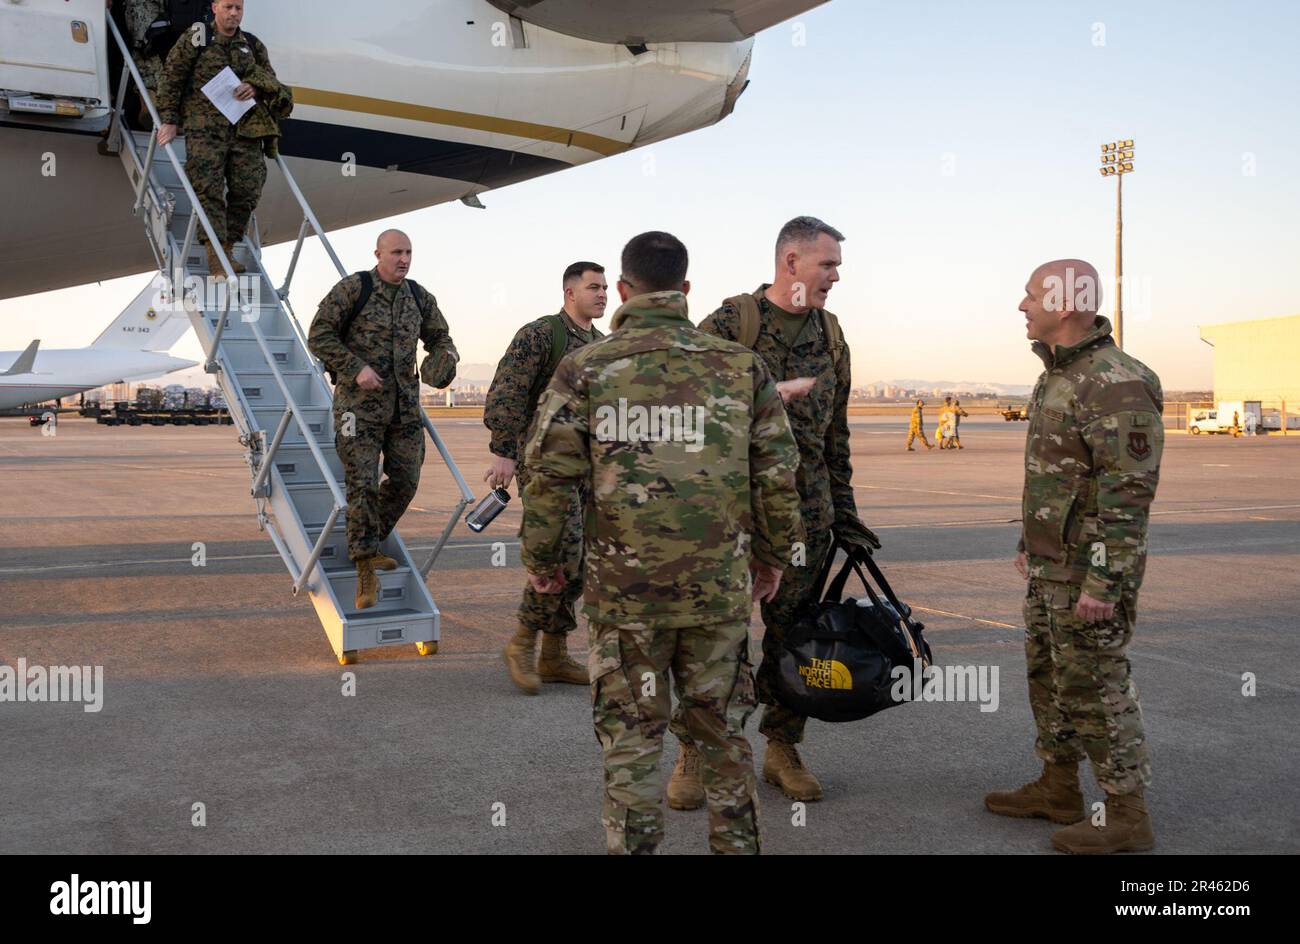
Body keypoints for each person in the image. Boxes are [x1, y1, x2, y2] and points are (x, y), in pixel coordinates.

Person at [520, 232, 803, 854]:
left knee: (632, 747)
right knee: (724, 740)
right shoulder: (739, 366)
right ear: (686, 291)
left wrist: (545, 564)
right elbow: (779, 474)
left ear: (623, 290)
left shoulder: (588, 367)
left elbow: (547, 476)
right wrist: (773, 558)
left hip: (626, 602)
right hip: (717, 598)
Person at [679, 216, 880, 806]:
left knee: (796, 635)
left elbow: (835, 435)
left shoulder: (834, 335)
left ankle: (781, 745)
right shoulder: (729, 322)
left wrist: (844, 512)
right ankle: (695, 749)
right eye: (828, 265)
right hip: (730, 512)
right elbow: (687, 408)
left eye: (837, 266)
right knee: (715, 637)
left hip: (804, 517)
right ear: (790, 262)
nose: (836, 277)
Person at [985, 258, 1163, 854]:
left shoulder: (1117, 382)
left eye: (1030, 293)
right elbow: (1056, 478)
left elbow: (1126, 495)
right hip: (1050, 565)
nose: (1021, 304)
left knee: (1096, 685)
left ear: (1064, 304)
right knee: (1050, 679)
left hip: (1088, 574)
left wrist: (1103, 582)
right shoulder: (1058, 375)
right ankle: (1058, 788)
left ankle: (1126, 812)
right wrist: (1029, 543)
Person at [307, 230, 459, 610]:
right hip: (357, 410)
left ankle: (369, 541)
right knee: (362, 482)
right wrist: (354, 367)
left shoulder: (419, 297)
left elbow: (441, 337)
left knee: (407, 479)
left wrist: (443, 360)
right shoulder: (353, 288)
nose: (403, 259)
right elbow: (319, 335)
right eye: (396, 252)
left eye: (408, 252)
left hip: (404, 408)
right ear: (378, 254)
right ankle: (364, 569)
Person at [485, 262, 609, 692]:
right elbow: (506, 392)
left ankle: (554, 654)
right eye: (594, 287)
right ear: (569, 292)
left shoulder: (602, 344)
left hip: (588, 471)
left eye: (606, 287)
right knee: (559, 553)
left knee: (580, 565)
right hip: (546, 467)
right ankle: (522, 643)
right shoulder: (541, 334)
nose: (603, 294)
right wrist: (503, 449)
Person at [154, 0, 292, 276]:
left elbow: (271, 81)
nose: (234, 13)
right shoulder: (198, 36)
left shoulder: (252, 44)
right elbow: (172, 76)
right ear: (215, 7)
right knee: (209, 189)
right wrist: (169, 119)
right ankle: (217, 255)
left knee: (248, 189)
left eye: (239, 8)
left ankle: (228, 245)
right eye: (228, 6)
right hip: (205, 130)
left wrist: (254, 87)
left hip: (245, 129)